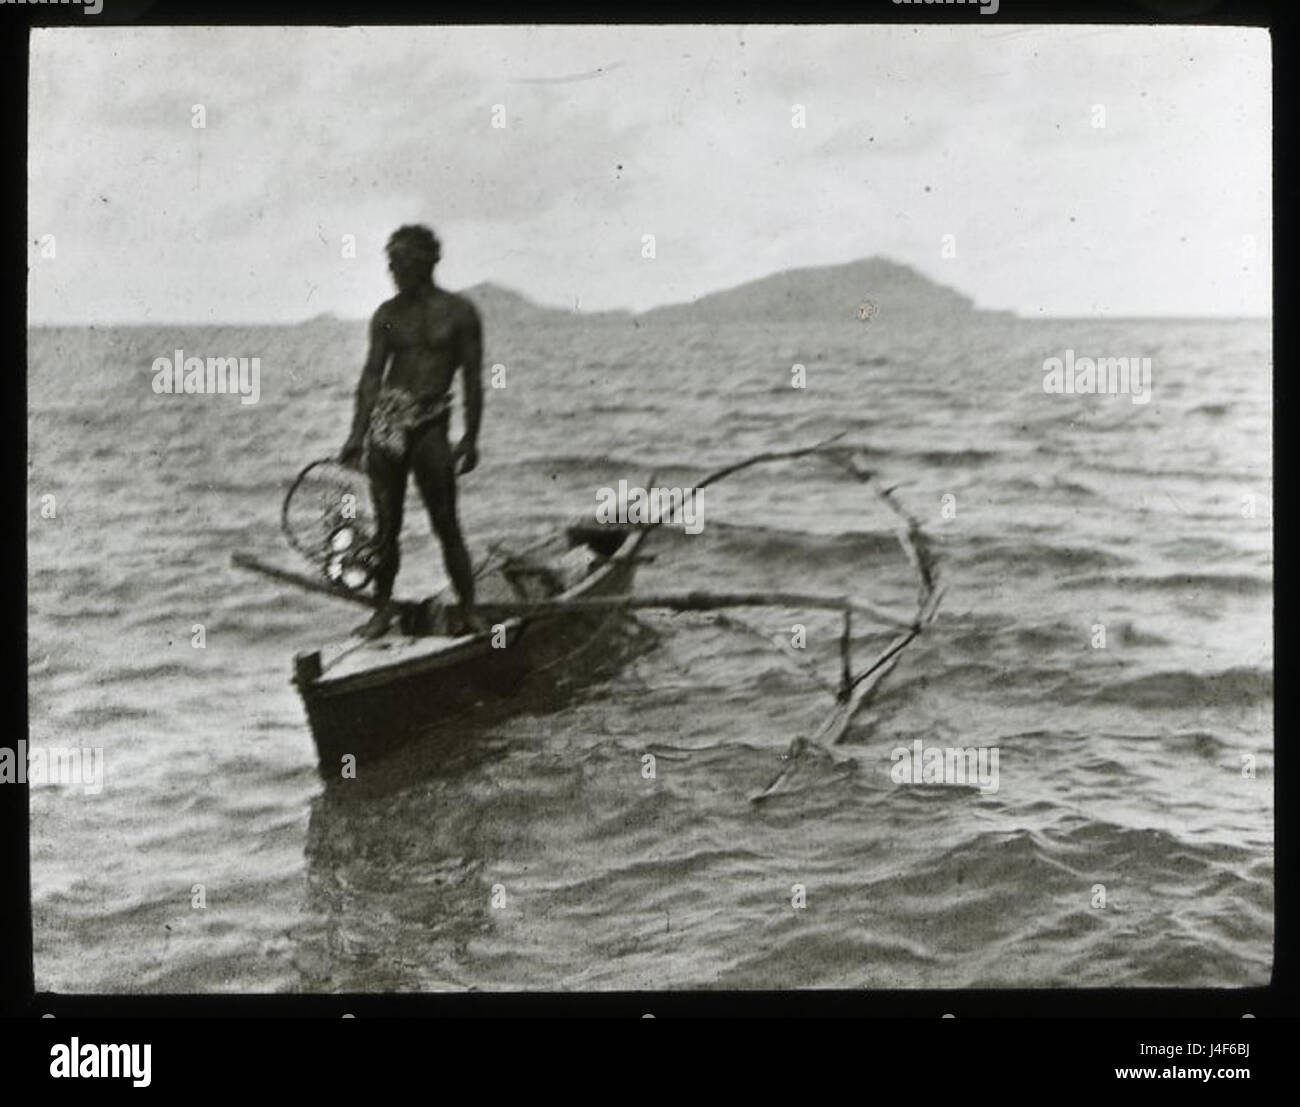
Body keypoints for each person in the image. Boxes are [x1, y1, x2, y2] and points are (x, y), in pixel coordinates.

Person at [340, 224, 484, 639]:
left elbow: (473, 379)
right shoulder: (386, 316)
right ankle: (382, 612)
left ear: (425, 262)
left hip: (430, 426)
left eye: (399, 261)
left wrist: (471, 437)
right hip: (387, 425)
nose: (392, 269)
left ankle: (469, 609)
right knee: (386, 528)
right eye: (389, 261)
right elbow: (371, 377)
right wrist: (356, 434)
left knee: (446, 524)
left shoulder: (460, 313)